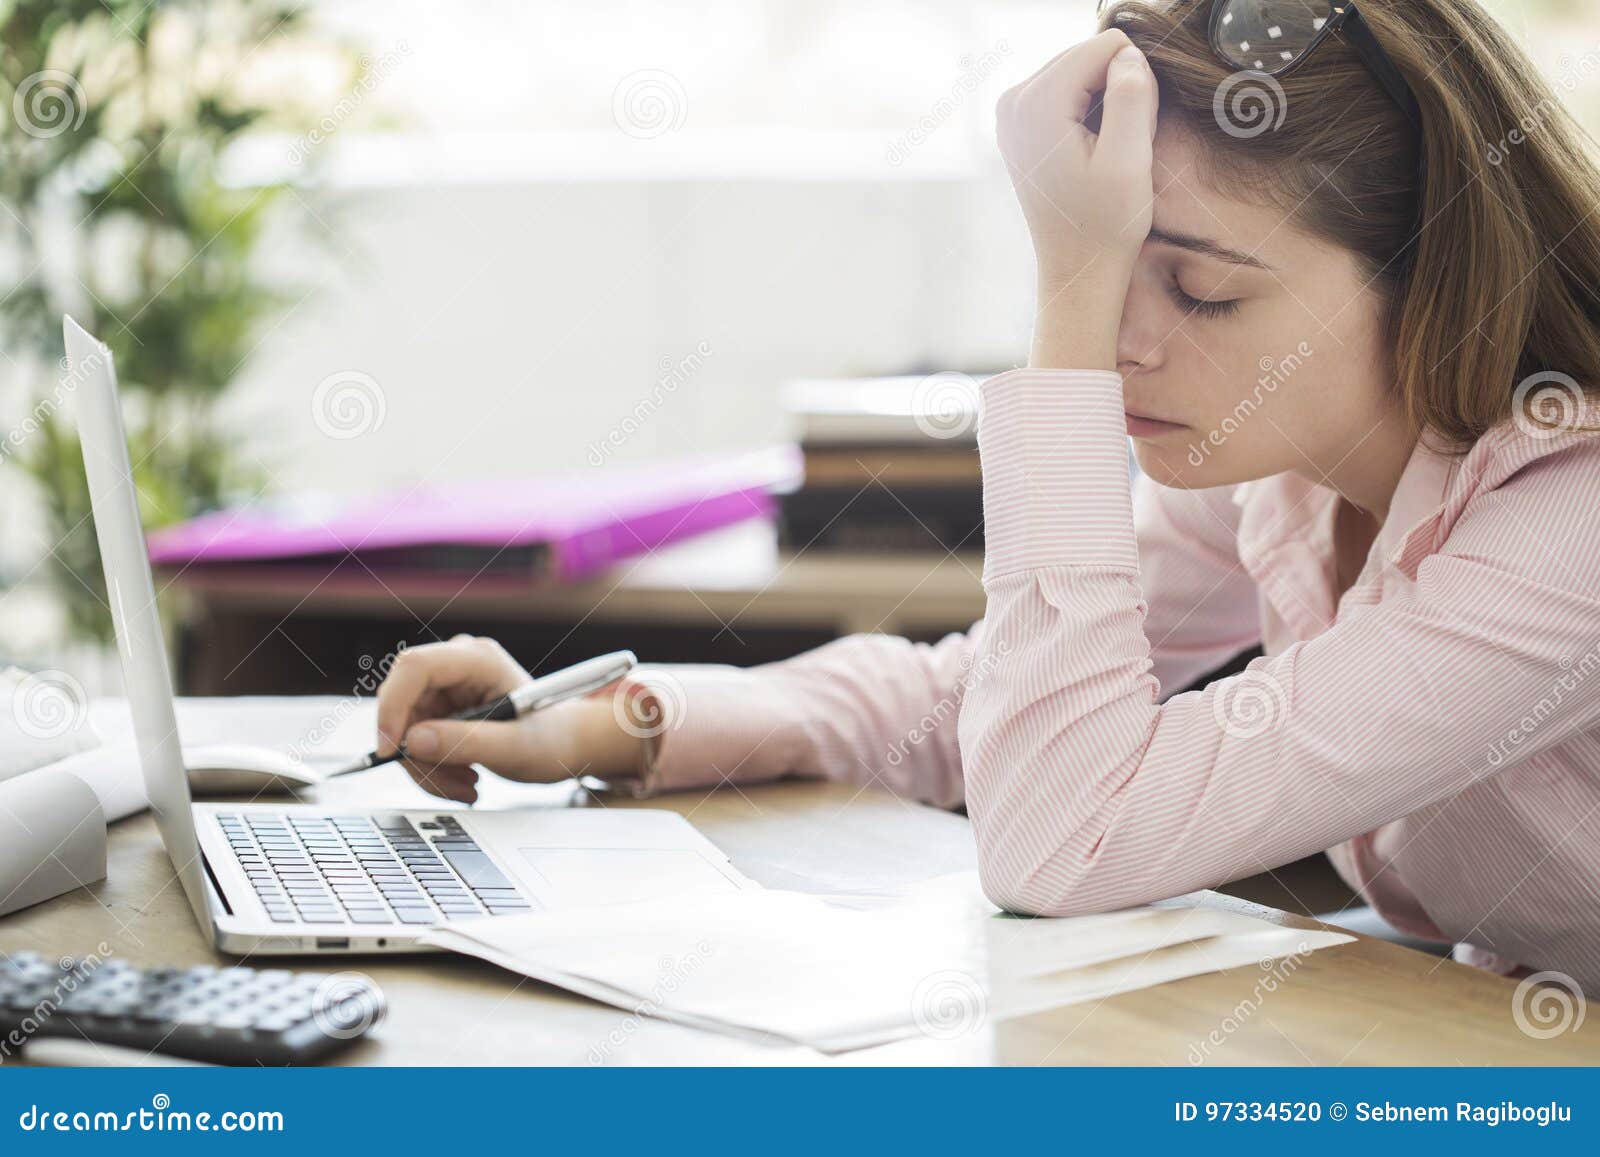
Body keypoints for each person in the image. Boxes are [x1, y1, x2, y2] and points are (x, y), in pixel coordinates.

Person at [375, 0, 1600, 992]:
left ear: (1436, 269)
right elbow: (973, 699)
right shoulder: (1280, 474)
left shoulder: (1569, 523)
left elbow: (1062, 835)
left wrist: (1067, 320)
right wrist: (608, 723)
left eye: (1204, 293)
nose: (1126, 340)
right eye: (1109, 262)